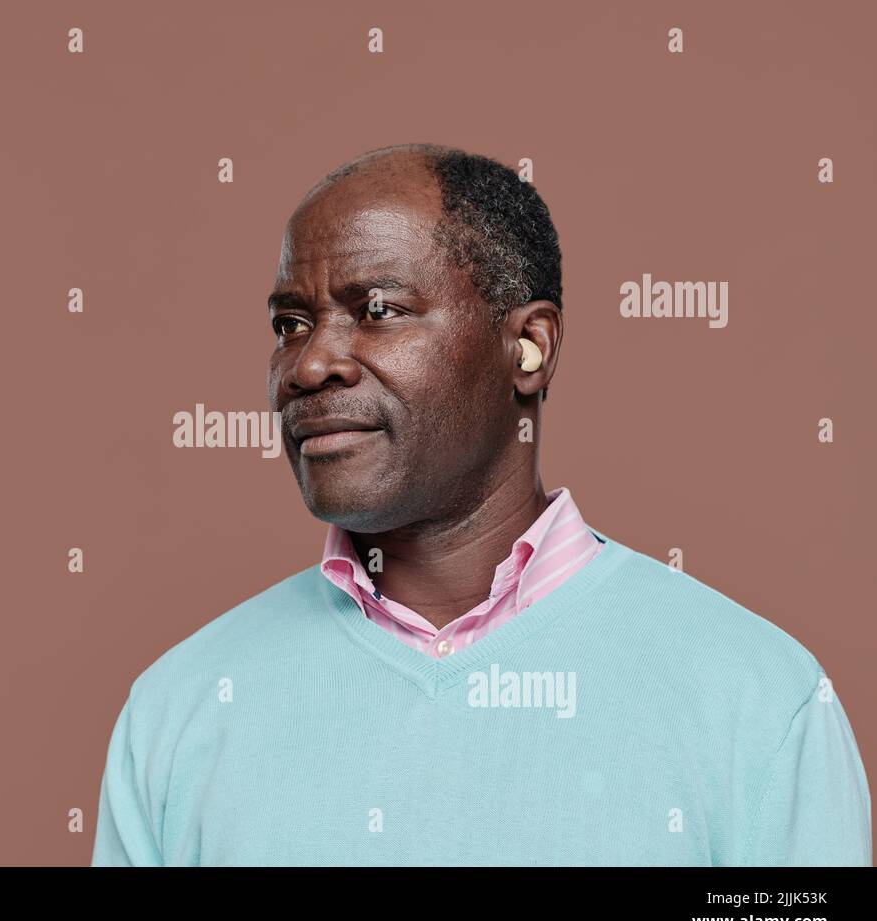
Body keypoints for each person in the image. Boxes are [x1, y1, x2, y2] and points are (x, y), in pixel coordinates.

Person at [91, 143, 871, 866]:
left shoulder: (756, 701)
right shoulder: (179, 709)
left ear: (528, 347)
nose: (311, 363)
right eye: (290, 325)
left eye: (378, 310)